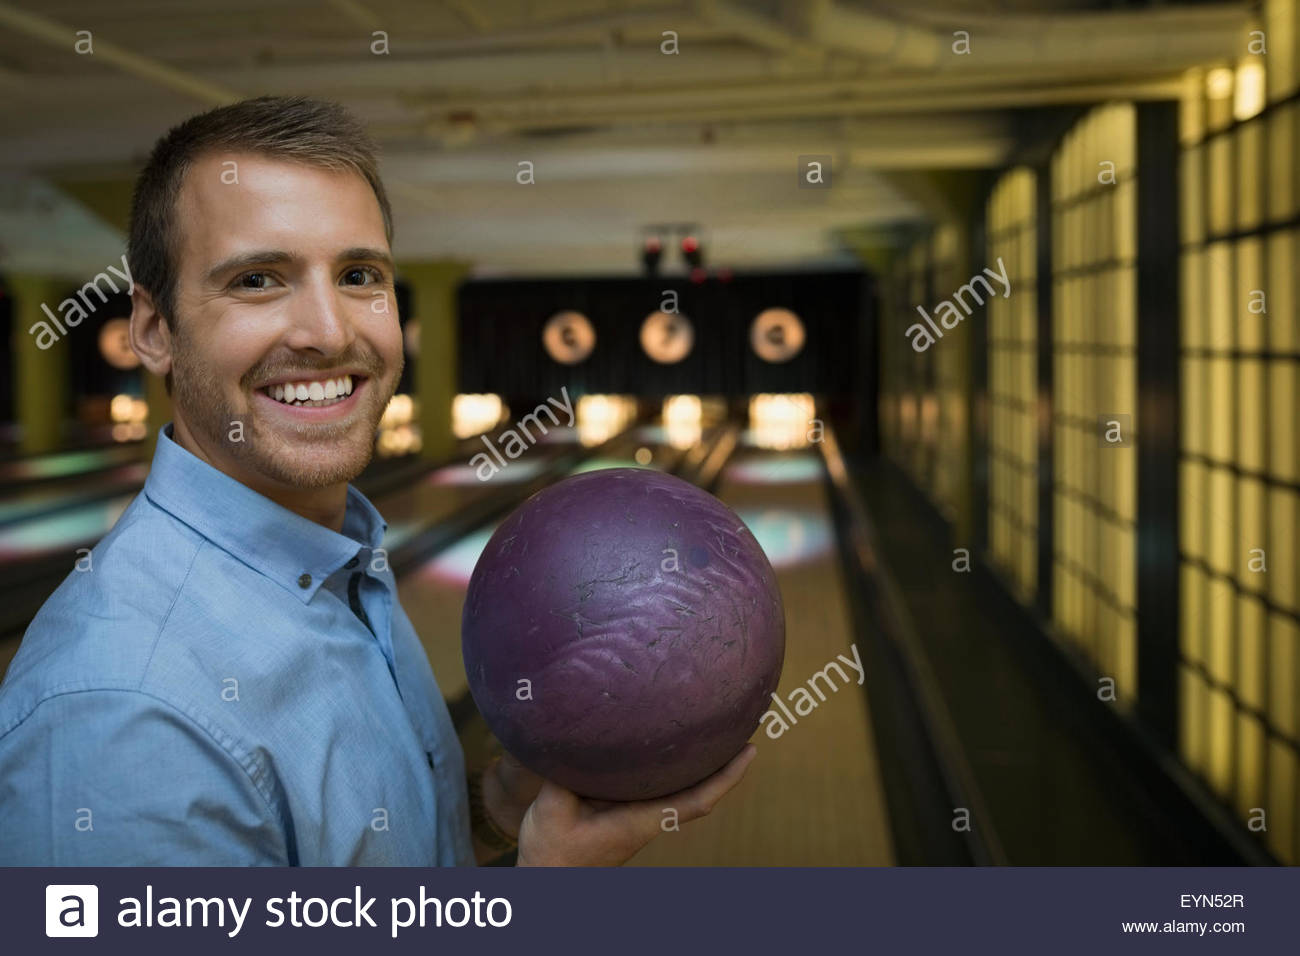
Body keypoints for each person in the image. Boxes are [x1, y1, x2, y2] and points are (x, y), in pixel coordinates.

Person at [0, 96, 755, 866]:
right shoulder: (122, 720)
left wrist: (498, 810)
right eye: (259, 279)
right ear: (155, 331)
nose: (330, 332)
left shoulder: (339, 559)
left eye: (359, 274)